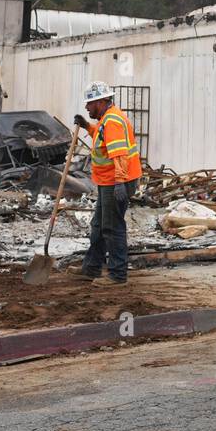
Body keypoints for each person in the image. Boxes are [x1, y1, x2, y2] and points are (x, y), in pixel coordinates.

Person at [72, 81, 141, 284]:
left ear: (101, 102)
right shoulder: (106, 119)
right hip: (108, 181)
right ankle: (92, 268)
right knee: (99, 225)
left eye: (90, 104)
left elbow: (119, 154)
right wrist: (87, 126)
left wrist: (119, 182)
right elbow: (103, 139)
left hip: (116, 181)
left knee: (112, 227)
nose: (87, 107)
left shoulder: (112, 121)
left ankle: (117, 275)